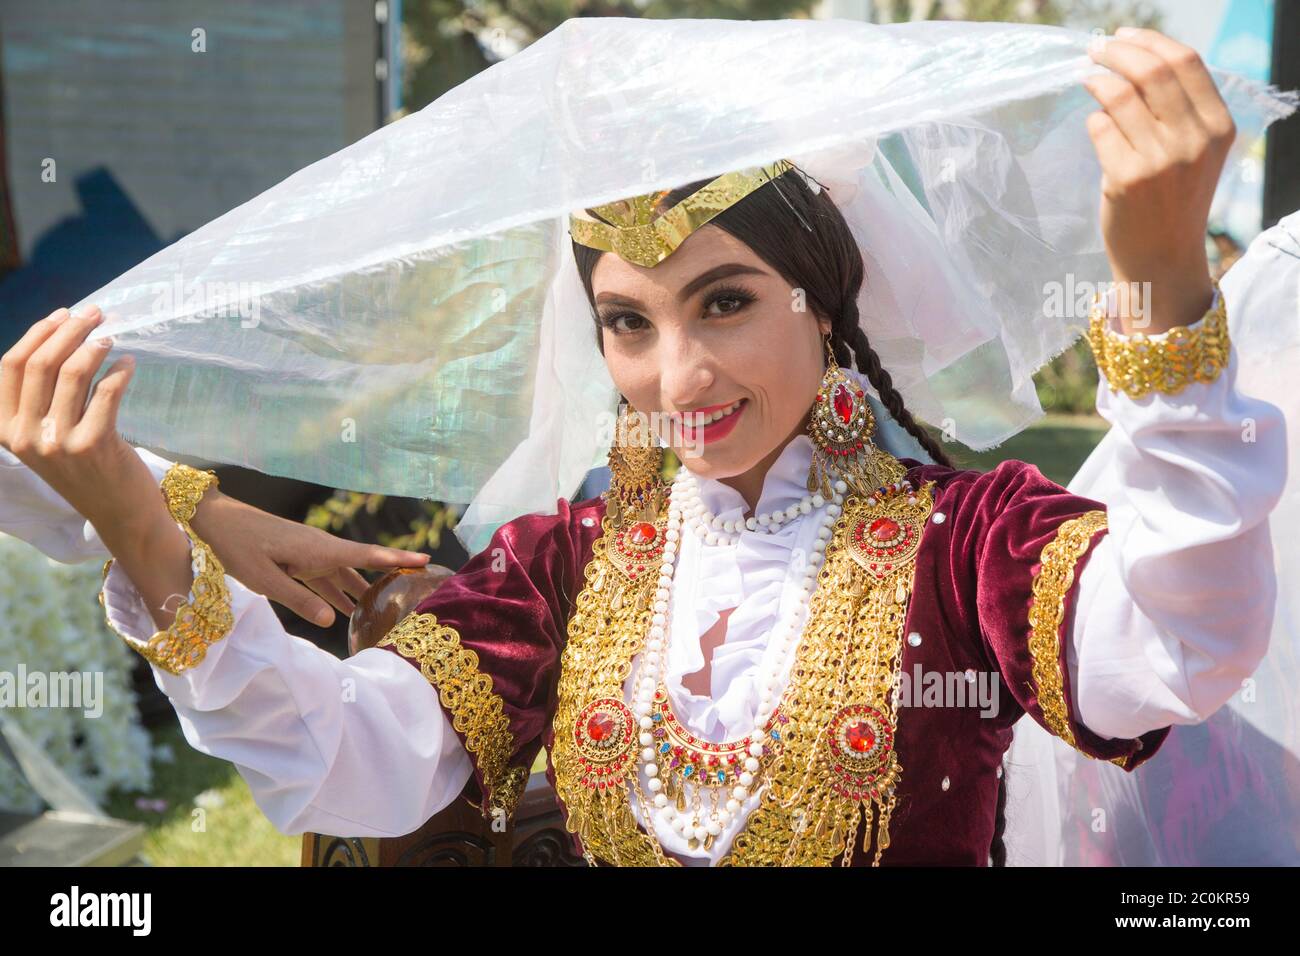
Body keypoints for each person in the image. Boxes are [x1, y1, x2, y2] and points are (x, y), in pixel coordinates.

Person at [0, 23, 1293, 865]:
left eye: (725, 304)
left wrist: (1165, 286)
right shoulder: (571, 559)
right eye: (628, 322)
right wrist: (138, 521)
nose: (674, 376)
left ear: (822, 303)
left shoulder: (970, 543)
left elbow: (1176, 645)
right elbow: (353, 759)